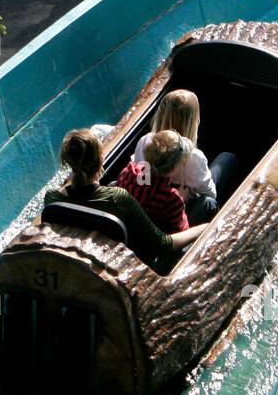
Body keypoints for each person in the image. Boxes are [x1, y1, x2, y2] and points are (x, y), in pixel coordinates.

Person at [44, 128, 205, 266]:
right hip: (111, 263)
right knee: (207, 205)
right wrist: (204, 228)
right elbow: (162, 243)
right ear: (101, 158)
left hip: (74, 263)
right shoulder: (118, 198)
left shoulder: (52, 198)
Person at [133, 89, 240, 225]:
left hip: (150, 210)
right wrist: (182, 197)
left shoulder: (145, 141)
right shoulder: (194, 156)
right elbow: (210, 193)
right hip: (175, 213)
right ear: (193, 120)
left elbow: (142, 182)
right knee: (227, 159)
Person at [115, 129, 193, 235]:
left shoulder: (128, 171)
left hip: (130, 232)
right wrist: (182, 202)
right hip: (155, 241)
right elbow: (182, 232)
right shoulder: (171, 198)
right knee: (207, 202)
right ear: (174, 167)